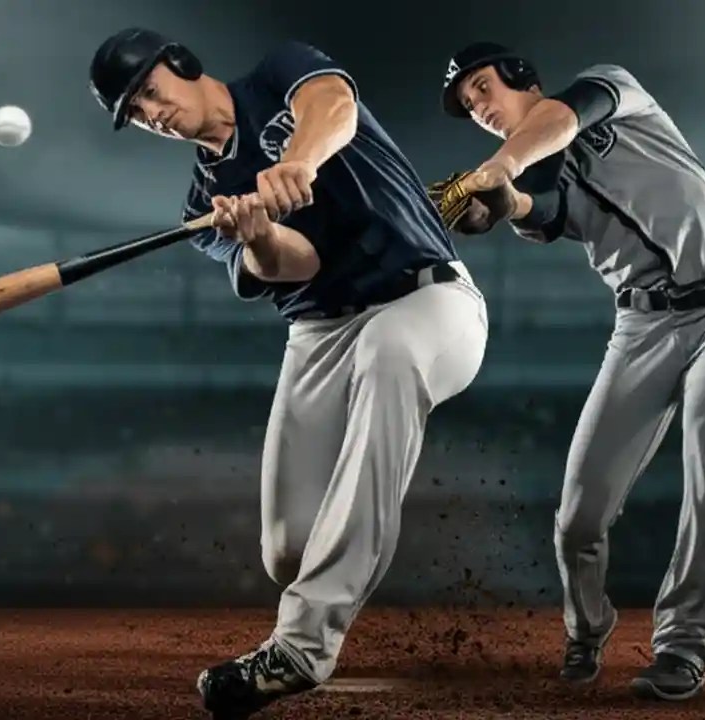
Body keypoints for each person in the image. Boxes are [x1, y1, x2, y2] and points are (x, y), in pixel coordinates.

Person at [88, 28, 489, 719]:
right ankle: (332, 575)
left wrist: (296, 163)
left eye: (151, 91)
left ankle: (302, 647)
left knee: (389, 351)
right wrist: (257, 233)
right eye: (136, 113)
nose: (152, 114)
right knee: (290, 551)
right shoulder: (201, 205)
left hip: (427, 297)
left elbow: (334, 107)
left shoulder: (279, 73)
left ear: (181, 63)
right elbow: (294, 264)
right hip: (322, 331)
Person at [437, 42, 705, 701]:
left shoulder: (611, 89)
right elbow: (544, 212)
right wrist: (493, 204)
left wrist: (499, 166)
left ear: (520, 75)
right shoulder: (544, 173)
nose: (479, 106)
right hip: (641, 330)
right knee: (578, 517)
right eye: (469, 104)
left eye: (482, 87)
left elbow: (561, 121)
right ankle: (587, 629)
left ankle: (683, 646)